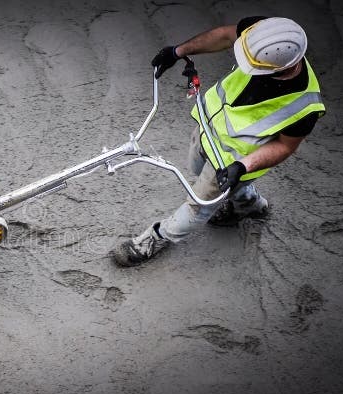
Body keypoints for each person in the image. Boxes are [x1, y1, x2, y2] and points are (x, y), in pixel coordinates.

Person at [112, 16, 326, 267]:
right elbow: (225, 35)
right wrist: (178, 51)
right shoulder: (265, 36)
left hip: (230, 160)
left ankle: (153, 240)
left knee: (198, 205)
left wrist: (242, 167)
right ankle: (250, 204)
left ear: (276, 69)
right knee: (194, 167)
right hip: (207, 127)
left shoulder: (304, 106)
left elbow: (285, 146)